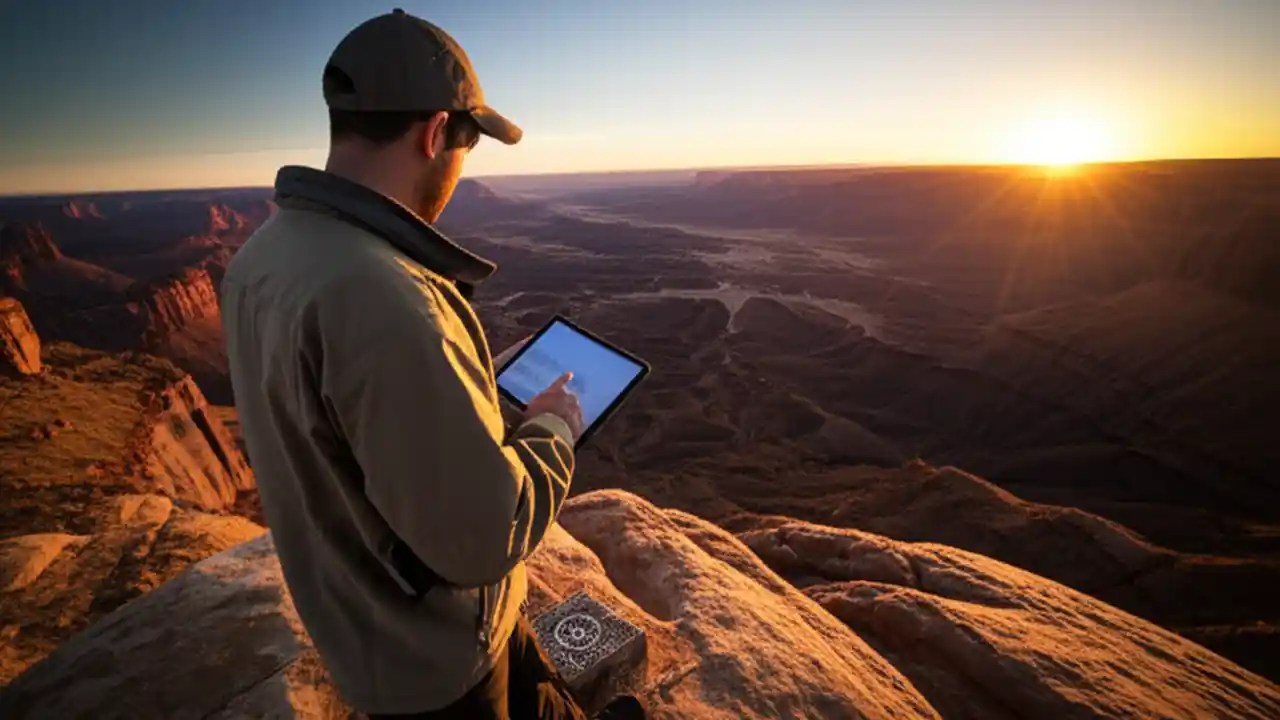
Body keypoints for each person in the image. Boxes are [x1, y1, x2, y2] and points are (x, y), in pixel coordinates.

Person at [221, 10, 644, 720]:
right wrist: (554, 431)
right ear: (434, 131)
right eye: (468, 142)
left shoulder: (268, 254)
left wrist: (470, 383)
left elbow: (343, 420)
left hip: (366, 623)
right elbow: (486, 536)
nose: (461, 162)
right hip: (435, 666)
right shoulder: (385, 296)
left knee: (539, 678)